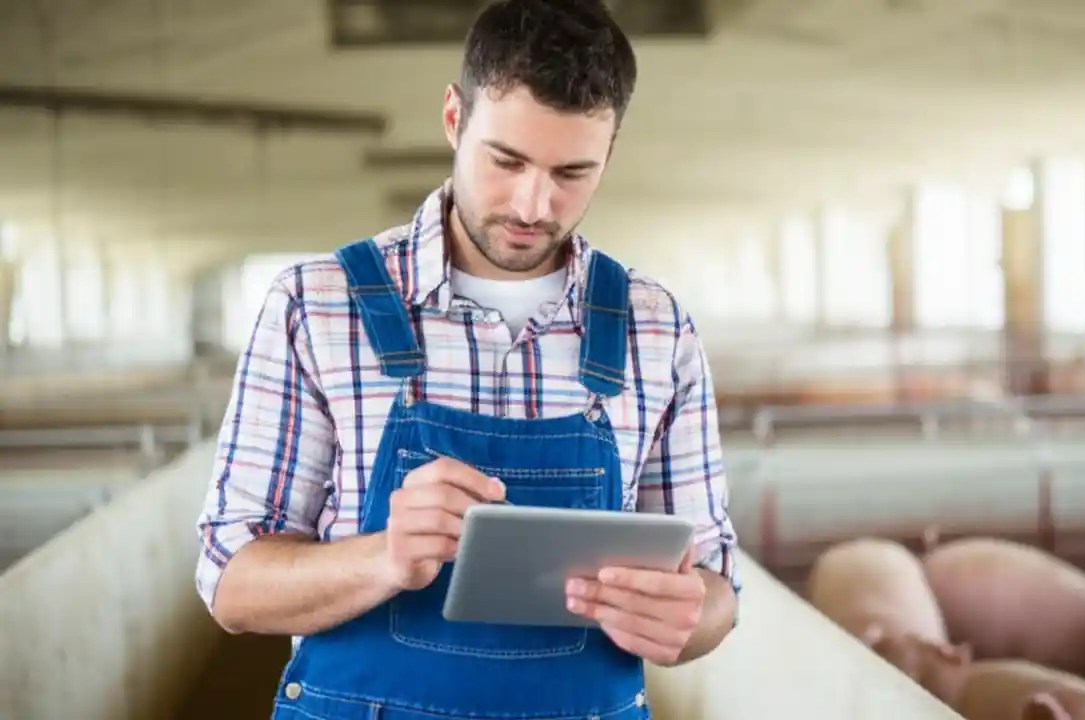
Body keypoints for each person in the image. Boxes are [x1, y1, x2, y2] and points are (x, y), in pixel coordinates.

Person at [193, 1, 740, 717]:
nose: (533, 203)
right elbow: (232, 586)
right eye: (506, 160)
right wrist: (387, 555)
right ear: (455, 117)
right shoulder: (317, 305)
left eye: (572, 171)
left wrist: (688, 616)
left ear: (611, 152)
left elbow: (718, 589)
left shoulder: (658, 328)